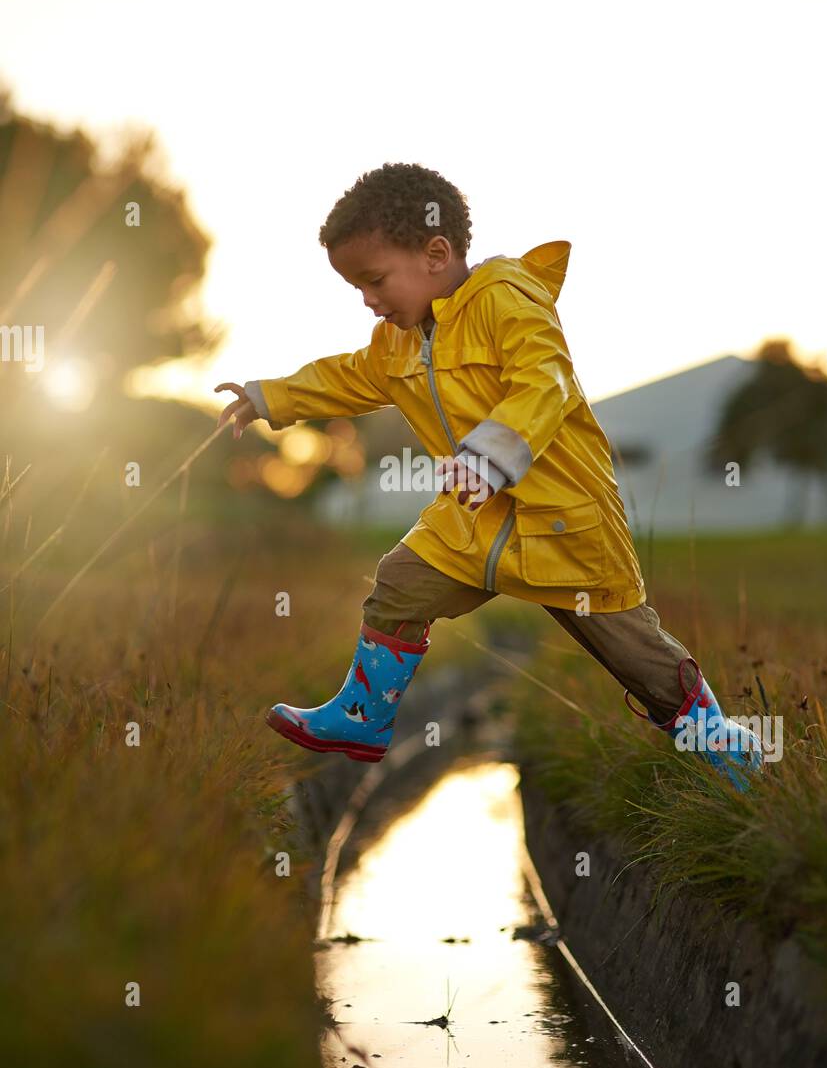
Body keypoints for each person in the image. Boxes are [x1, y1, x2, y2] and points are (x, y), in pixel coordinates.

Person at [216, 162, 763, 791]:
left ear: (436, 252)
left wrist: (491, 454)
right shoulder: (396, 343)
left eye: (374, 280)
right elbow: (345, 377)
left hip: (566, 523)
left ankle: (732, 757)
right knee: (399, 582)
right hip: (477, 522)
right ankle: (364, 718)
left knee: (640, 661)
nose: (368, 300)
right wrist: (270, 397)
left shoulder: (509, 300)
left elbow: (545, 381)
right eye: (356, 289)